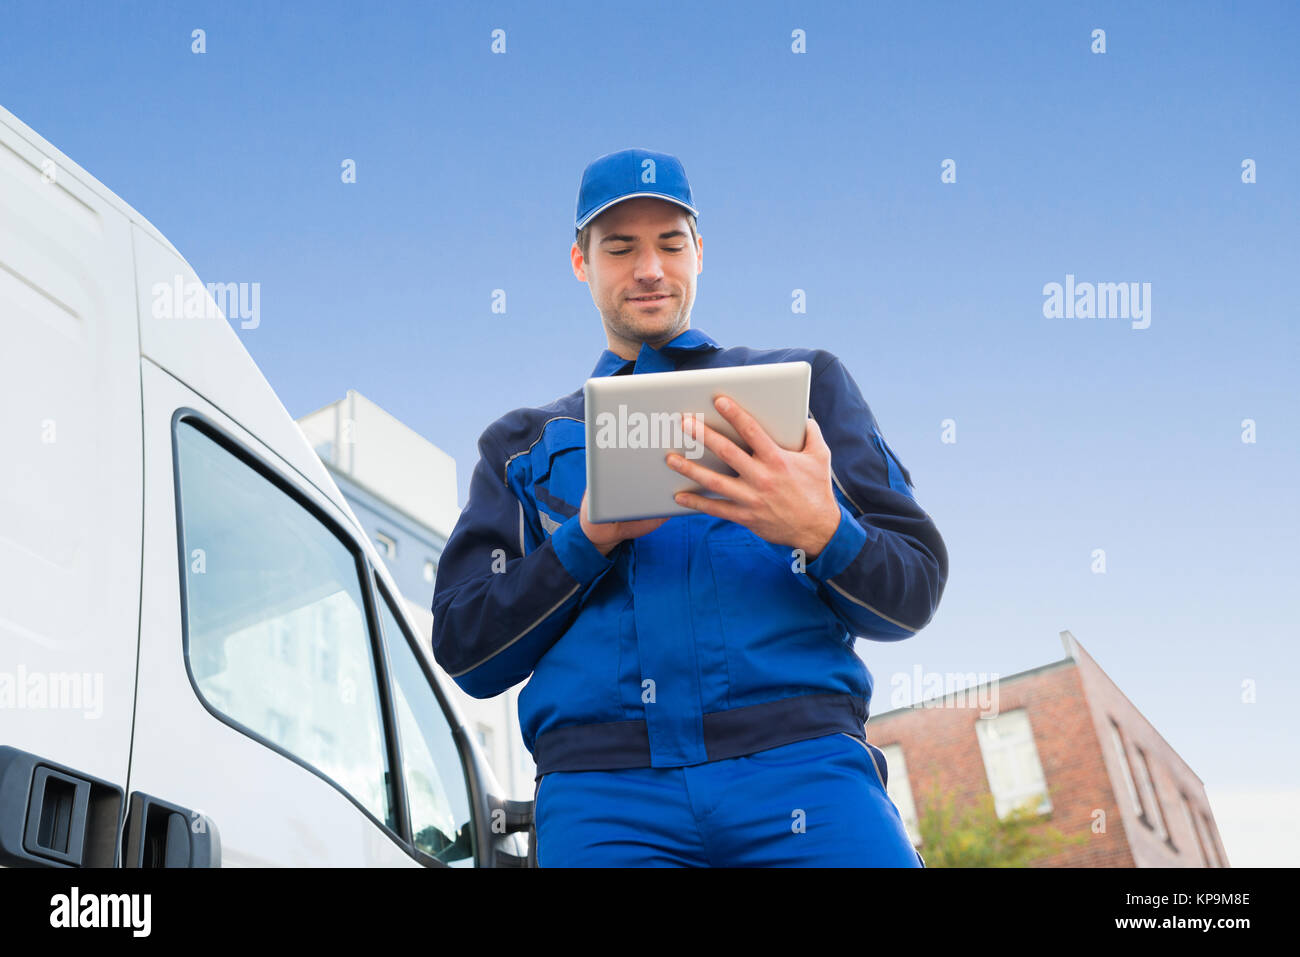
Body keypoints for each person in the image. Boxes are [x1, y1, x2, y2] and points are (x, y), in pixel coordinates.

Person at [431, 147, 948, 866]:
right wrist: (584, 541)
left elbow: (913, 591)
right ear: (581, 263)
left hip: (805, 775)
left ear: (699, 253)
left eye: (671, 244)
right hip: (603, 801)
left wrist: (823, 530)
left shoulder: (807, 392)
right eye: (620, 247)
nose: (649, 268)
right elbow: (466, 648)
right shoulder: (523, 445)